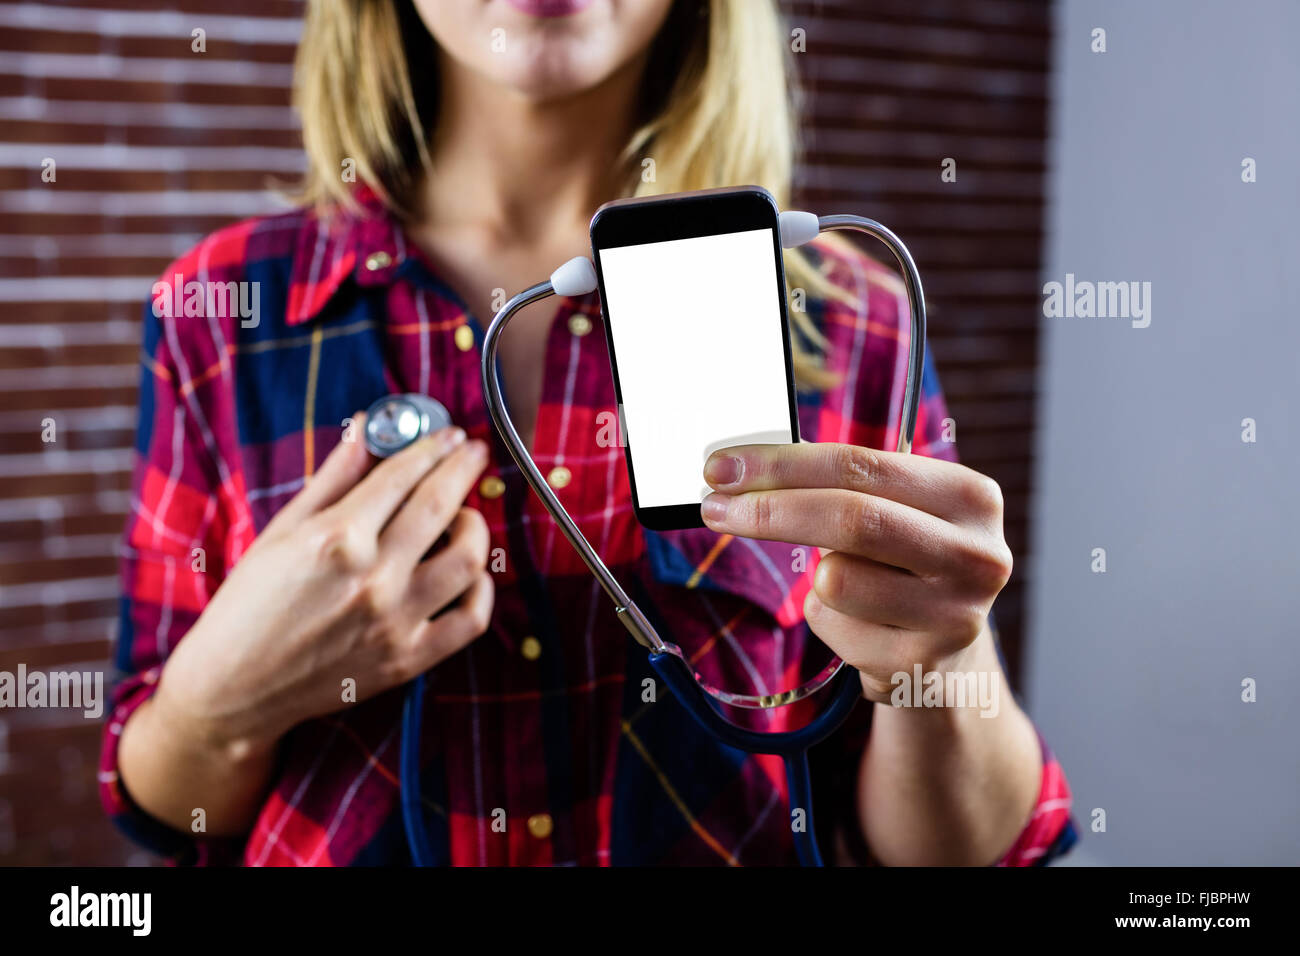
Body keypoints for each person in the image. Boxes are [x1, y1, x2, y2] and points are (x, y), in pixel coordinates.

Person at [100, 0, 1075, 865]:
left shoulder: (854, 321)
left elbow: (960, 851)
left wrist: (942, 664)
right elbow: (163, 807)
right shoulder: (217, 311)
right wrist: (218, 705)